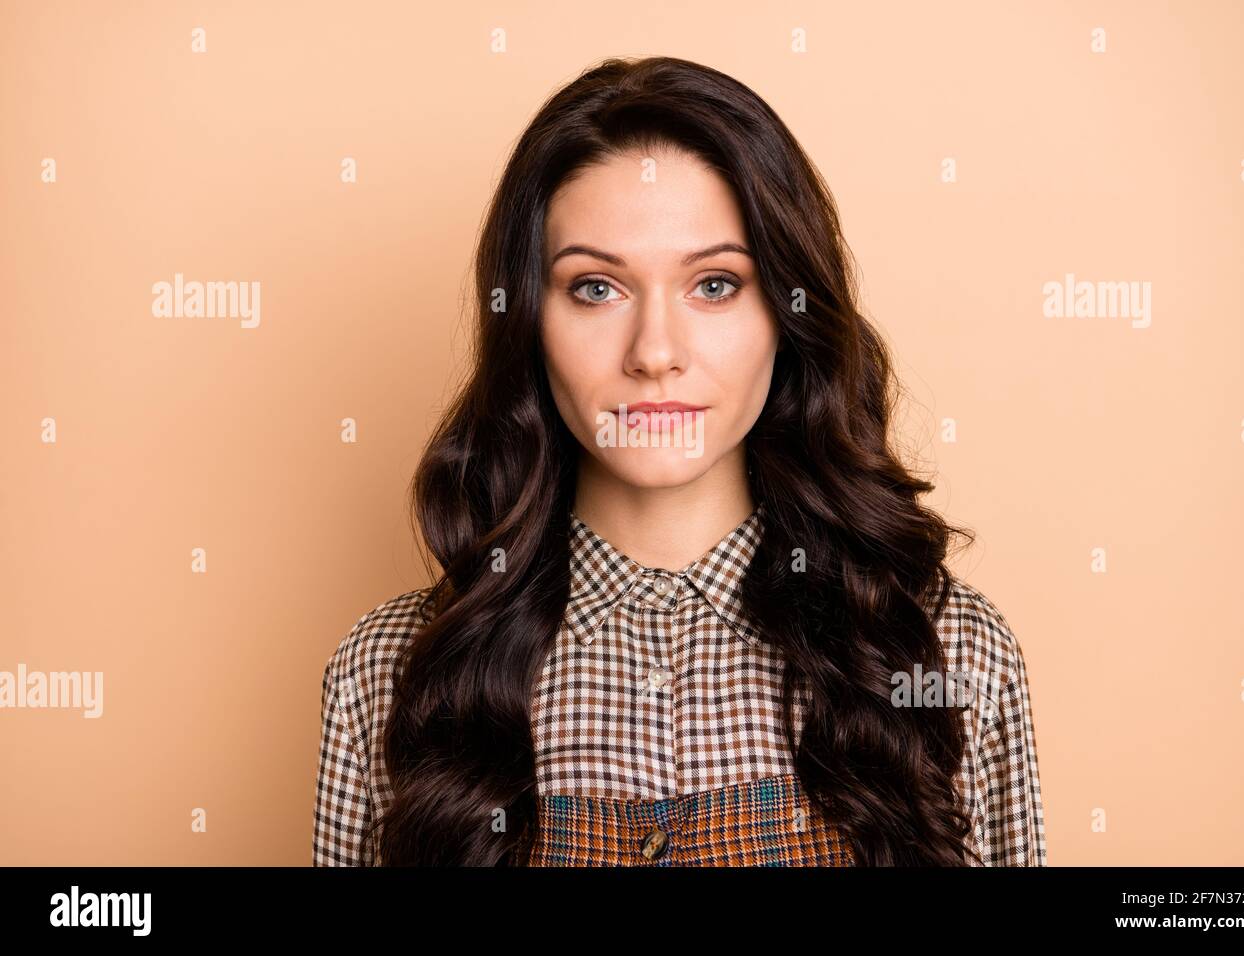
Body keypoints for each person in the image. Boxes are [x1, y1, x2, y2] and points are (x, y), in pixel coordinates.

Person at [313, 55, 1046, 867]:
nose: (655, 353)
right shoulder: (387, 674)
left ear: (787, 312)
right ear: (528, 320)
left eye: (715, 285)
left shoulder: (944, 651)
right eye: (596, 288)